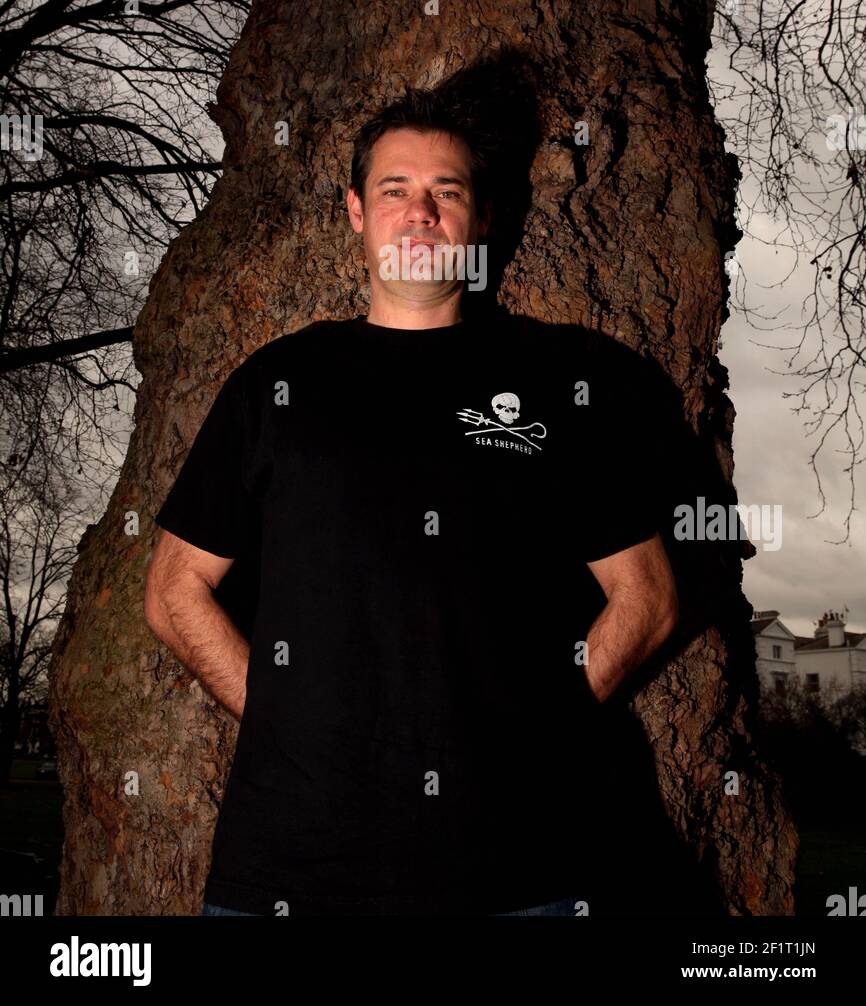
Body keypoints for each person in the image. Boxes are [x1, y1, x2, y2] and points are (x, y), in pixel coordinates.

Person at [146, 87, 680, 917]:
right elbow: (173, 591)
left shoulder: (561, 383)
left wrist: (543, 723)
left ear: (485, 217)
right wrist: (284, 712)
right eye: (395, 190)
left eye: (448, 192)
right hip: (292, 869)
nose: (420, 212)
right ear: (357, 212)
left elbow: (646, 599)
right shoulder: (277, 383)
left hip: (518, 874)